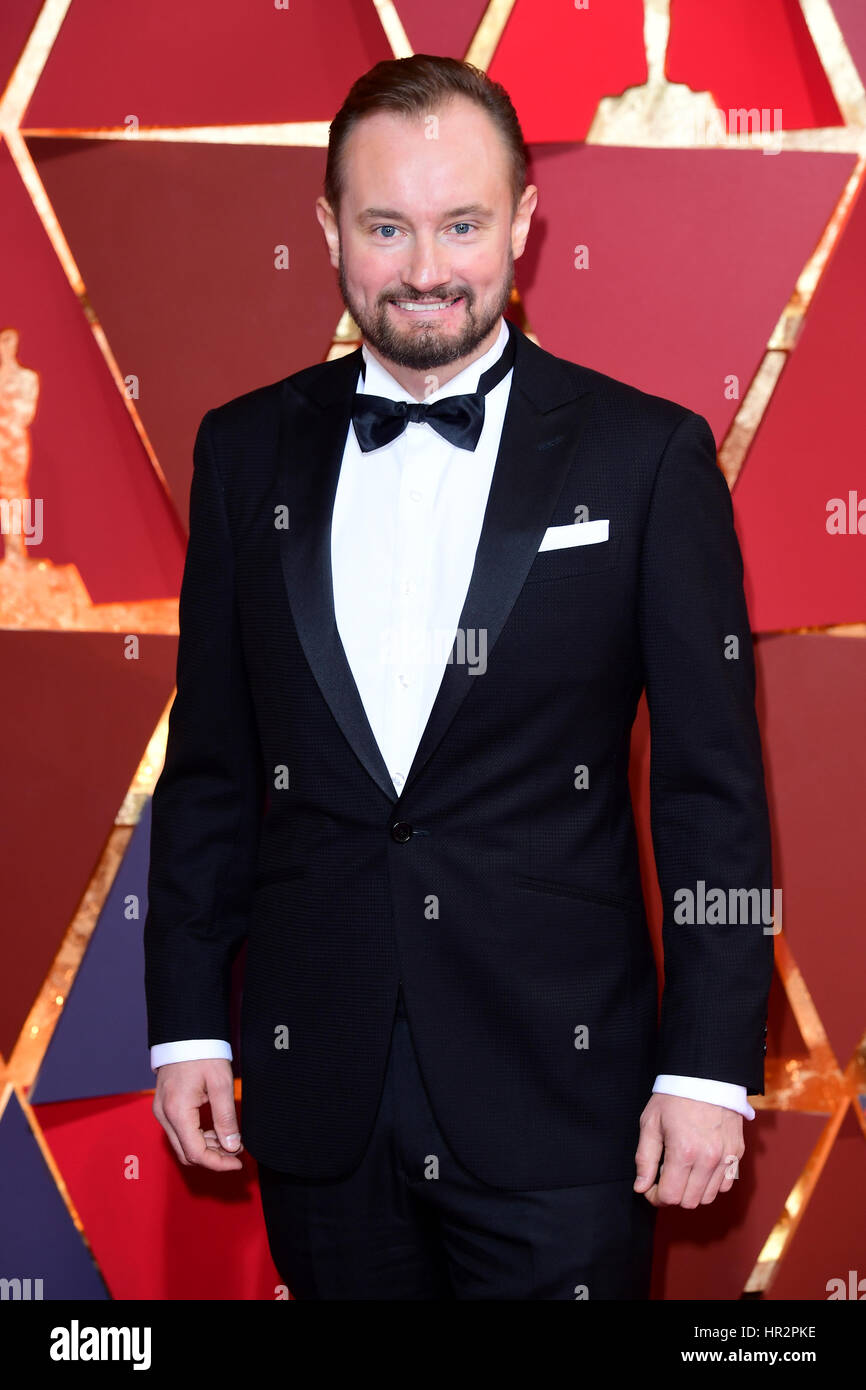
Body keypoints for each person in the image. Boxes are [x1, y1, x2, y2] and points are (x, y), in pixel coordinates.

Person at [144, 54, 774, 1300]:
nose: (425, 268)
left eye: (461, 224)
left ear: (525, 226)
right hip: (318, 1090)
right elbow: (212, 767)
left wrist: (705, 1067)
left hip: (560, 1095)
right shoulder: (241, 450)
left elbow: (713, 795)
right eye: (385, 226)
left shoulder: (645, 457)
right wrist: (187, 1024)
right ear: (327, 230)